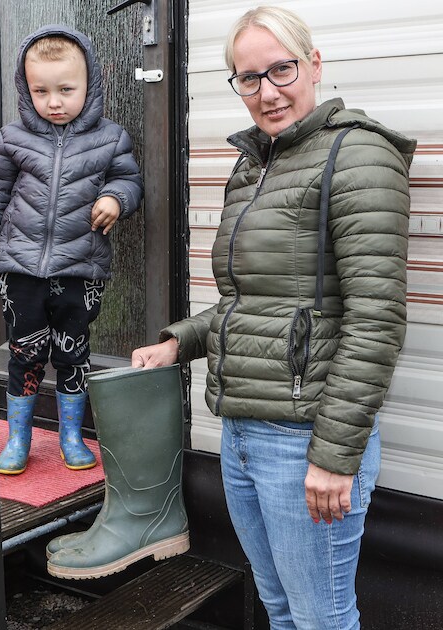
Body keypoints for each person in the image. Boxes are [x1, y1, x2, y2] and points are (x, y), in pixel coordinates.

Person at [131, 6, 415, 629]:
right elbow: (250, 302)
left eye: (280, 69)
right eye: (248, 78)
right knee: (279, 607)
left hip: (306, 440)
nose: (267, 91)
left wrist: (334, 455)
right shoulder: (256, 163)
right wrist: (180, 342)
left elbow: (377, 321)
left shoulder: (358, 156)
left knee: (321, 619)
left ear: (313, 65)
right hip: (242, 432)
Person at [0, 26, 142, 475]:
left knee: (74, 352)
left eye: (66, 89)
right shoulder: (10, 139)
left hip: (80, 269)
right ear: (26, 91)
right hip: (20, 270)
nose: (55, 101)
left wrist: (115, 198)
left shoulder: (111, 138)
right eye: (41, 91)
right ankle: (18, 440)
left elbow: (129, 180)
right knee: (25, 353)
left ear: (92, 84)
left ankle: (71, 436)